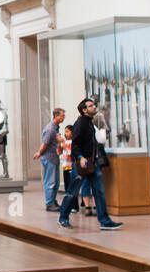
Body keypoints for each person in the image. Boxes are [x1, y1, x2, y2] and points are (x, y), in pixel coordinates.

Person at [59, 96, 123, 230]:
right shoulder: (81, 123)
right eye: (90, 106)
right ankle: (63, 217)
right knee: (73, 192)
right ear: (84, 110)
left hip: (92, 163)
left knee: (99, 192)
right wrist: (81, 157)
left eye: (93, 105)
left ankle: (105, 221)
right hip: (83, 164)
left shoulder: (89, 123)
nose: (94, 107)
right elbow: (75, 144)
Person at [33, 107, 66, 211]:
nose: (63, 118)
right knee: (50, 181)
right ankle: (49, 203)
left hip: (54, 158)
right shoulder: (51, 129)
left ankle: (52, 200)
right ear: (56, 116)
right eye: (62, 116)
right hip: (49, 158)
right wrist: (39, 153)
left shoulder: (56, 128)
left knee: (55, 182)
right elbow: (45, 143)